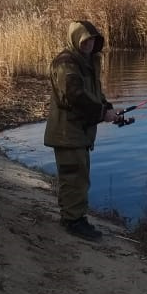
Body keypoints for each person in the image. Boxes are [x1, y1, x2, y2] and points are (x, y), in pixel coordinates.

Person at [44, 20, 118, 240]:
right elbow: (75, 96)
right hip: (67, 133)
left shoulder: (87, 62)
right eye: (85, 40)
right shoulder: (65, 63)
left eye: (92, 40)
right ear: (76, 40)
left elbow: (94, 95)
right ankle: (72, 221)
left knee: (80, 177)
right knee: (73, 177)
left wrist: (109, 109)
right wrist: (102, 114)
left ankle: (76, 217)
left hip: (80, 133)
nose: (89, 44)